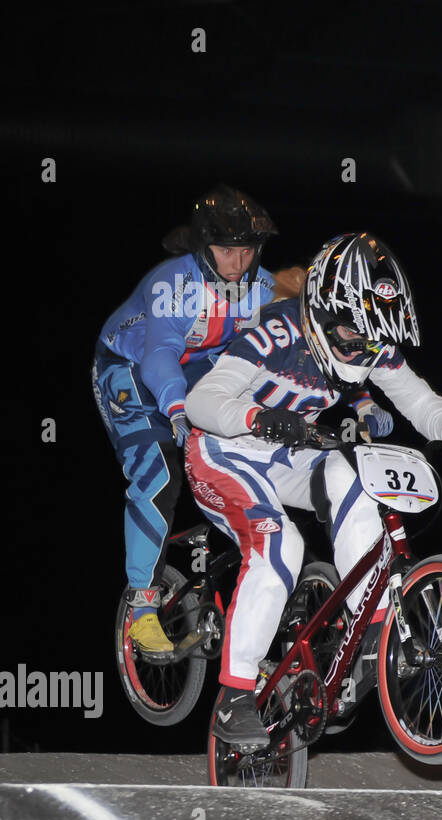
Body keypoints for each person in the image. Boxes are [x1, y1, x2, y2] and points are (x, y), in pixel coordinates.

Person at [184, 232, 442, 747]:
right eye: (350, 334)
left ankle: (368, 629)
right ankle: (233, 695)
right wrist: (257, 416)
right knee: (282, 544)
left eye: (371, 339)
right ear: (321, 312)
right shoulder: (274, 335)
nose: (360, 349)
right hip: (222, 451)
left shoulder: (367, 343)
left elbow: (417, 397)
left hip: (287, 451)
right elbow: (201, 402)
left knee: (356, 475)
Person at [93, 185, 278, 658]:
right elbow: (158, 357)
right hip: (130, 368)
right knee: (157, 469)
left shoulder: (260, 288)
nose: (236, 263)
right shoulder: (171, 284)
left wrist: (358, 399)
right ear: (202, 248)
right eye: (224, 251)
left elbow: (301, 337)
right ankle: (140, 606)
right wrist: (176, 410)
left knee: (255, 452)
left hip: (196, 368)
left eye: (246, 251)